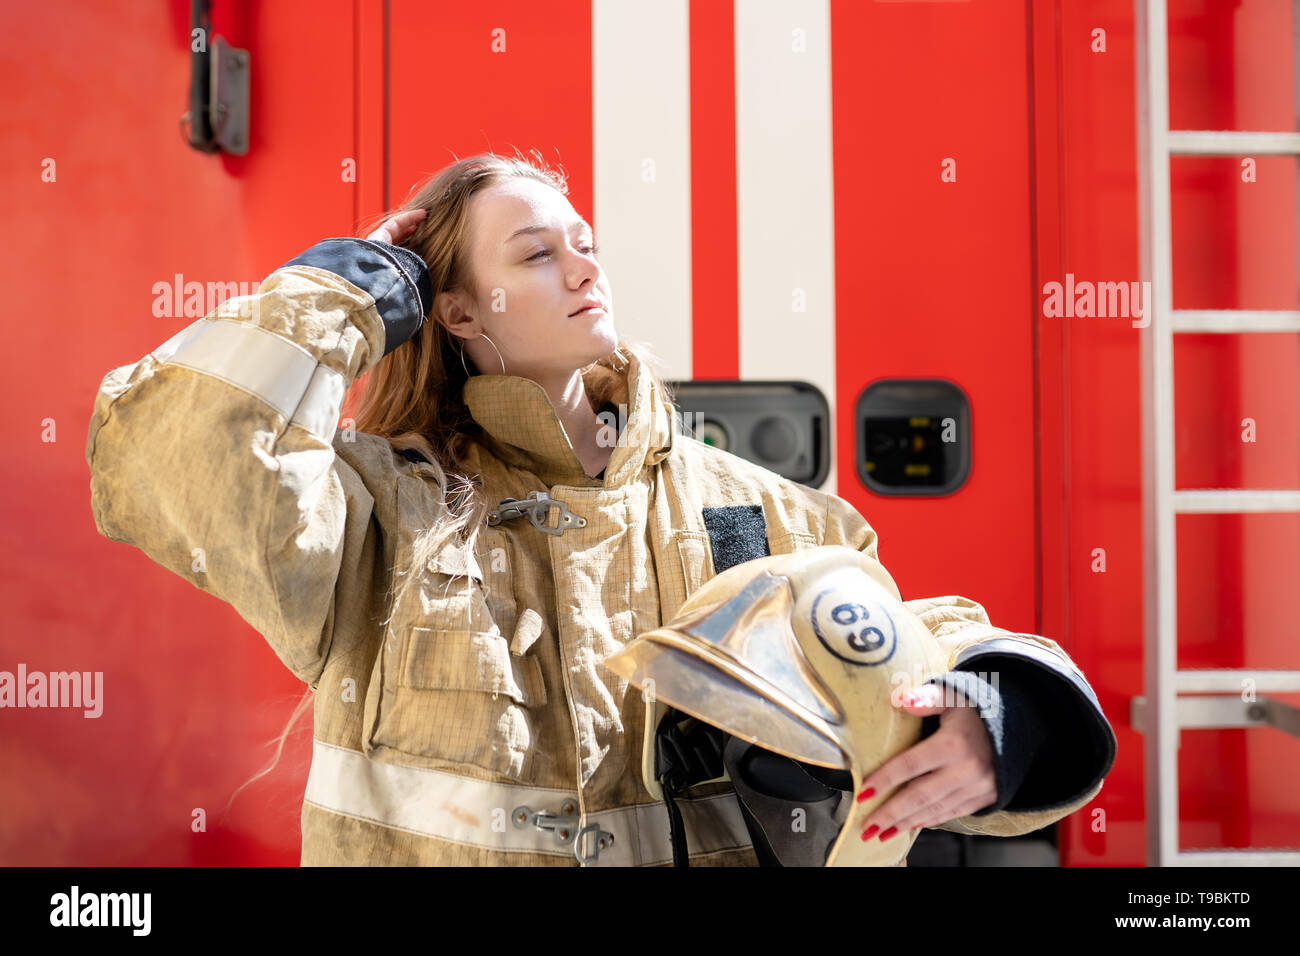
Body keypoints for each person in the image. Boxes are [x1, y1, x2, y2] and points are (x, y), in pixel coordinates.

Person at [85, 151, 1116, 866]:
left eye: (584, 243)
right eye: (535, 254)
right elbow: (172, 452)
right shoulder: (381, 510)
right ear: (454, 312)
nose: (585, 267)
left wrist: (995, 713)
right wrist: (359, 285)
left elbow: (913, 644)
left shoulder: (754, 510)